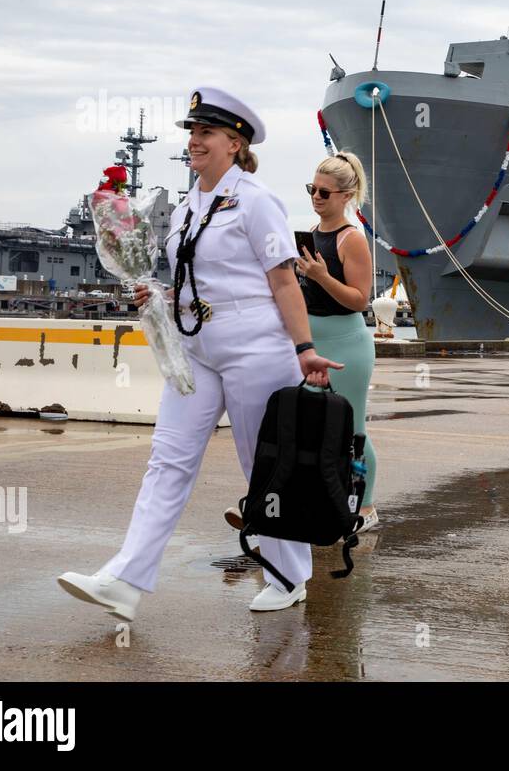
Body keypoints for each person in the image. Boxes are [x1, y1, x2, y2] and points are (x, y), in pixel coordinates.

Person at [58, 86, 342, 621]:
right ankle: (125, 579)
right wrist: (160, 295)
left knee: (264, 465)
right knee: (167, 461)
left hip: (255, 345)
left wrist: (304, 348)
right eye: (191, 132)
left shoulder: (258, 202)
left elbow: (283, 283)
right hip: (195, 348)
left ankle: (288, 576)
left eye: (205, 133)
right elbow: (198, 280)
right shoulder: (190, 206)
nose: (194, 141)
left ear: (235, 143)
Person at [224, 151, 380, 535]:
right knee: (289, 422)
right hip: (308, 339)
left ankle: (366, 506)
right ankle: (272, 502)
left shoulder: (352, 239)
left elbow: (361, 299)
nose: (317, 197)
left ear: (347, 195)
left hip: (346, 340)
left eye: (325, 192)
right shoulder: (312, 234)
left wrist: (321, 276)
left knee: (353, 429)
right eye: (313, 189)